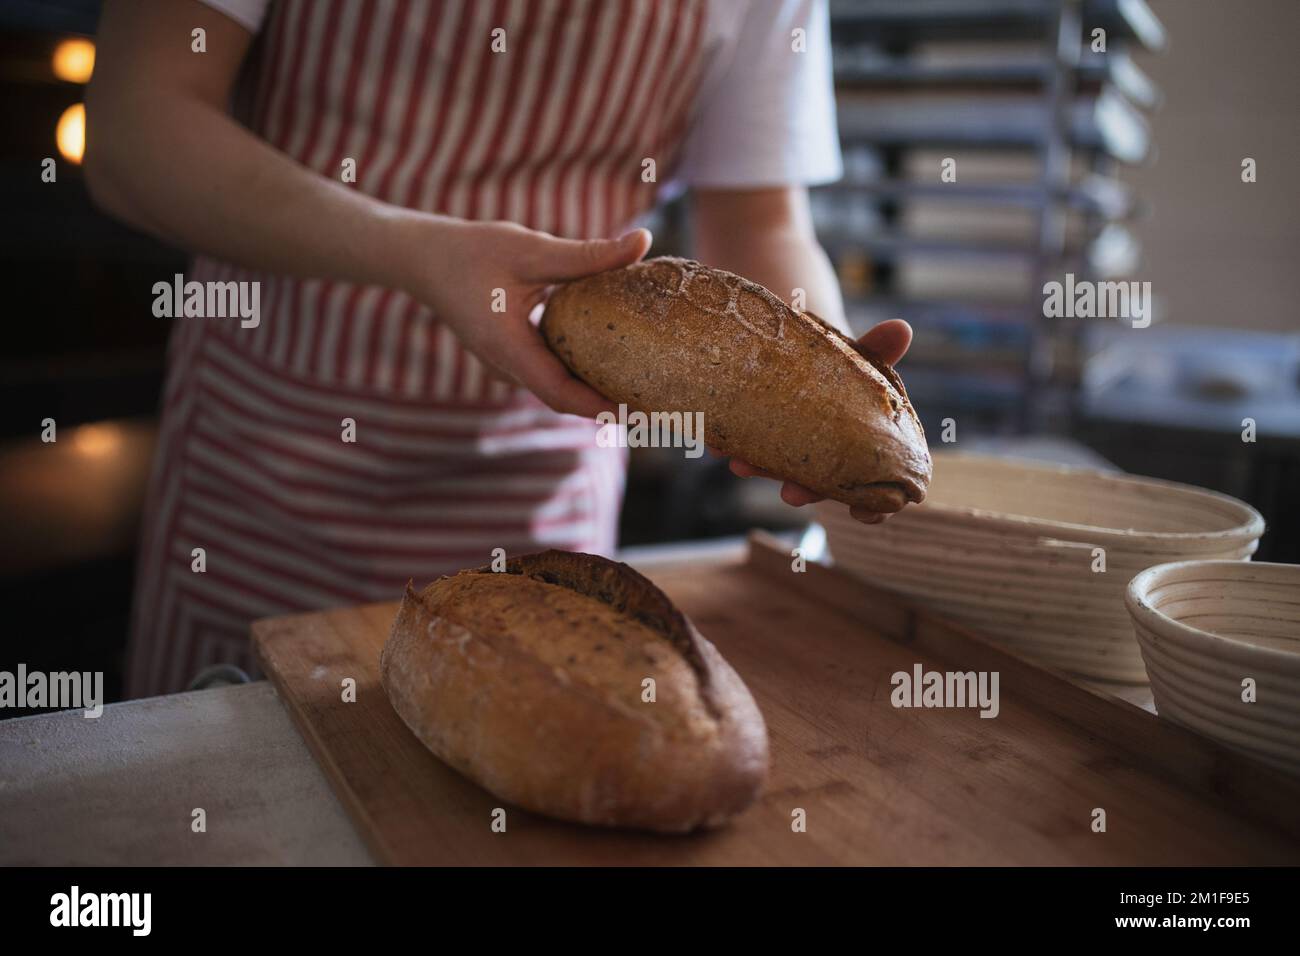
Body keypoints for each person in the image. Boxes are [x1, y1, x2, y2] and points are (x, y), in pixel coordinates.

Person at [85, 0, 913, 697]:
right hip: (270, 474)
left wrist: (818, 380)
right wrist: (415, 253)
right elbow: (134, 126)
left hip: (545, 487)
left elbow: (758, 220)